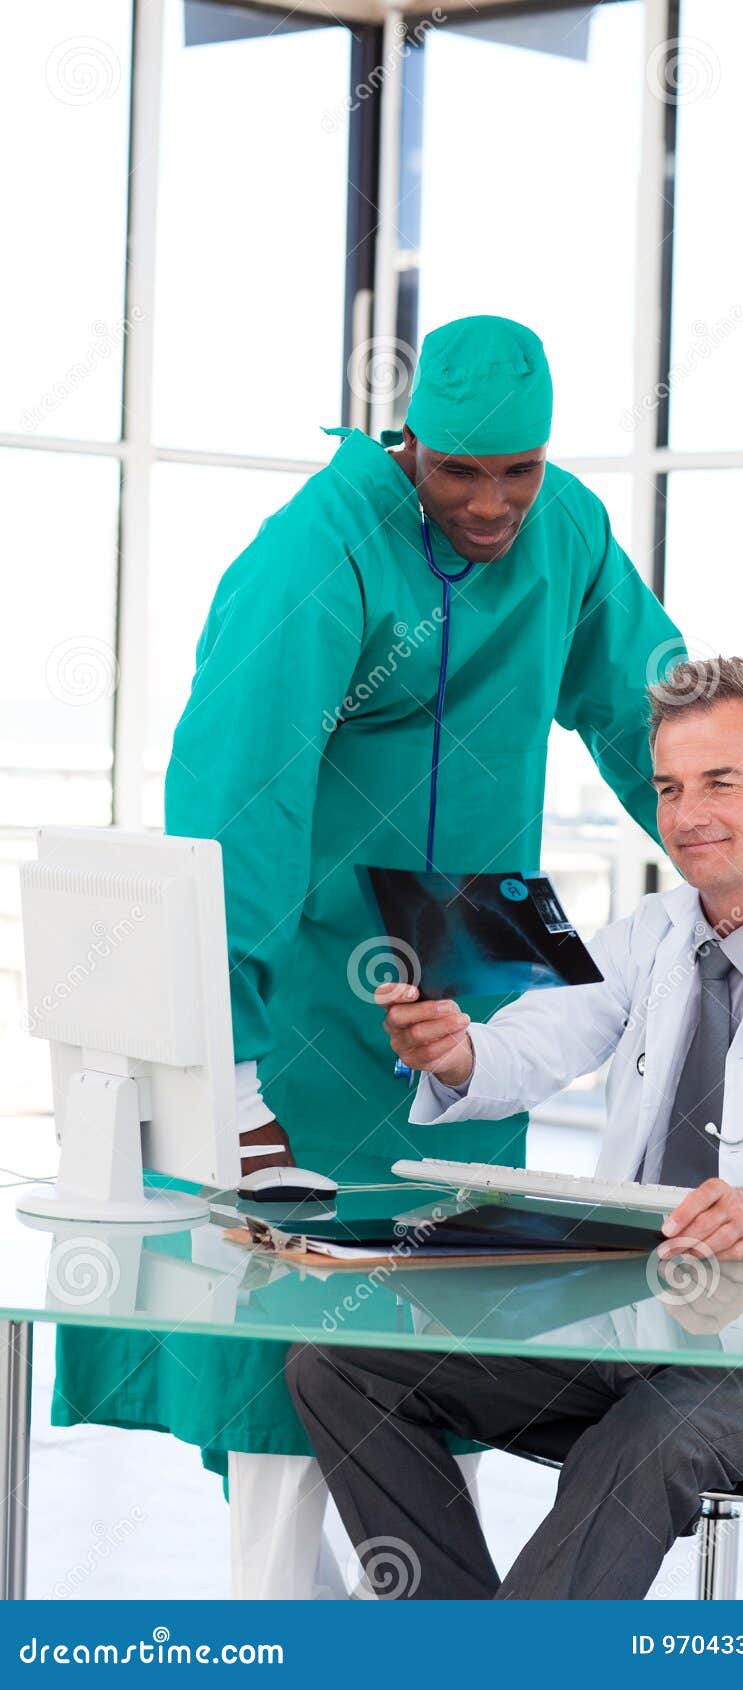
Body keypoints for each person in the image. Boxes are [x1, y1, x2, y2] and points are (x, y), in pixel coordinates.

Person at [52, 316, 685, 1598]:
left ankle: (418, 1613)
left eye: (519, 469)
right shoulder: (316, 552)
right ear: (409, 445)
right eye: (460, 473)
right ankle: (284, 1615)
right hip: (308, 970)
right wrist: (224, 1052)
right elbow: (238, 800)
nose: (493, 502)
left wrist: (727, 848)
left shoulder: (564, 530)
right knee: (290, 1315)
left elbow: (647, 707)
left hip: (476, 946)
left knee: (448, 1308)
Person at [286, 656, 743, 1599]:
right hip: (630, 1316)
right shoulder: (653, 932)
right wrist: (454, 1052)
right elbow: (534, 1043)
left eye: (720, 782)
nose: (687, 816)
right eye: (669, 788)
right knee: (339, 1362)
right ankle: (459, 1643)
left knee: (648, 1439)